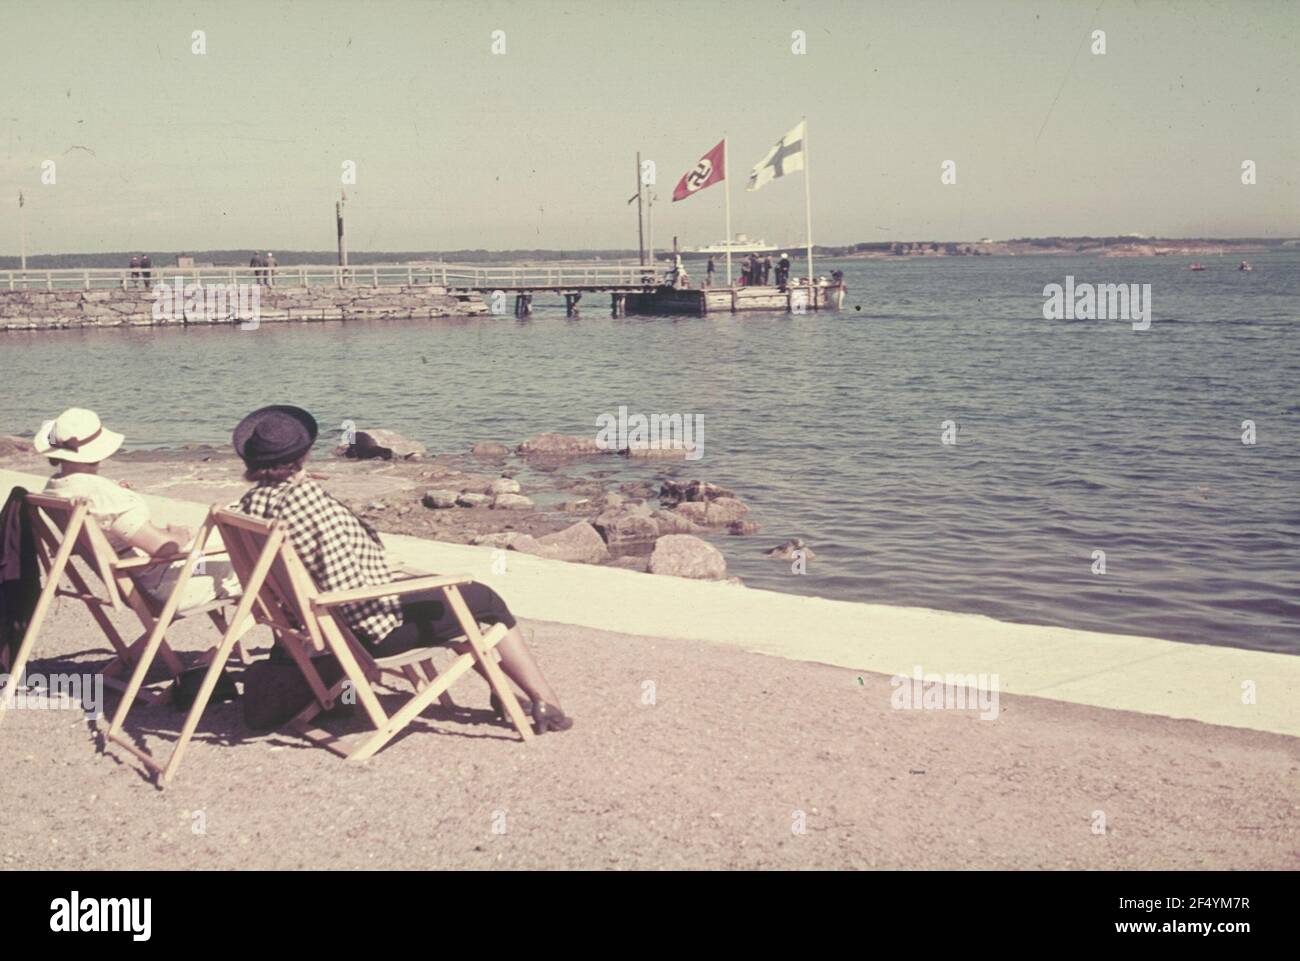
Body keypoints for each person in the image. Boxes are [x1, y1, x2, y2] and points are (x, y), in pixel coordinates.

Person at [232, 405, 573, 734]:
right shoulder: (306, 502)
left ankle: (503, 692)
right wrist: (395, 585)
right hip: (370, 636)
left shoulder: (254, 503)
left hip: (325, 628)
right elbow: (348, 590)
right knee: (485, 600)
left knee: (449, 604)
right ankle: (547, 702)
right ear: (303, 455)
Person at [36, 408, 241, 614]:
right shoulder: (107, 497)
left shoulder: (56, 488)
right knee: (246, 560)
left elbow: (107, 523)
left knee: (217, 544)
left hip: (134, 581)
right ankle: (262, 635)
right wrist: (181, 534)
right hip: (167, 586)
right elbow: (164, 549)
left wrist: (117, 494)